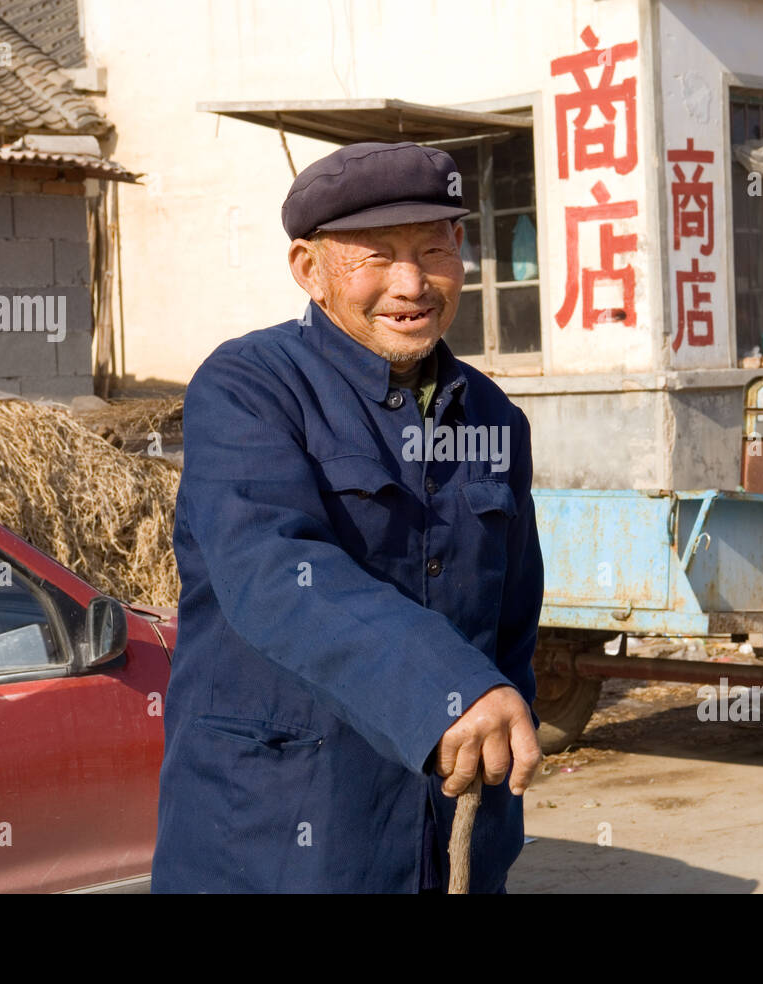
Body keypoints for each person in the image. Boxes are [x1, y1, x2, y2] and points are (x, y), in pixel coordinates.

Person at [151, 141, 544, 893]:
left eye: (434, 248)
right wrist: (446, 689)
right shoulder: (249, 388)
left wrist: (497, 770)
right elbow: (272, 571)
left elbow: (511, 625)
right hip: (279, 833)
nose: (411, 283)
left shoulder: (492, 416)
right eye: (377, 256)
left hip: (445, 835)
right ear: (310, 269)